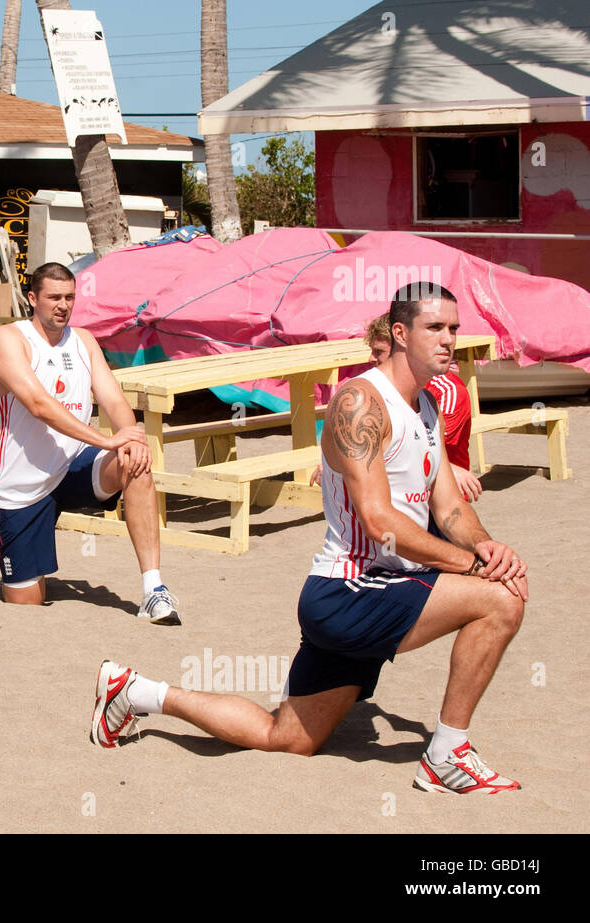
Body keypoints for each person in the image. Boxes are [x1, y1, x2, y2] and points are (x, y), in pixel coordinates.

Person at [91, 283, 528, 794]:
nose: (450, 339)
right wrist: (470, 567)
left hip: (377, 589)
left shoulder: (426, 406)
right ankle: (447, 755)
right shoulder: (361, 403)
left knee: (288, 736)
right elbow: (379, 522)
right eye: (436, 328)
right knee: (502, 600)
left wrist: (485, 546)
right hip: (352, 592)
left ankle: (137, 692)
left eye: (454, 327)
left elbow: (451, 507)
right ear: (401, 333)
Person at [0, 262, 178, 623]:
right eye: (53, 297)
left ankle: (153, 590)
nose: (63, 305)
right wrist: (108, 440)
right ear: (32, 299)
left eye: (70, 297)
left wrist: (131, 437)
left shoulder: (84, 341)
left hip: (74, 466)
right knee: (25, 604)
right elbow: (40, 406)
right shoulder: (7, 339)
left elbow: (114, 400)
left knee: (135, 462)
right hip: (22, 486)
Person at [311, 313, 482, 502]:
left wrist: (452, 469)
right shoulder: (373, 388)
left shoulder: (447, 391)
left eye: (378, 351)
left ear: (401, 349)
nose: (370, 358)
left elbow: (419, 454)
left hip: (439, 493)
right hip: (398, 488)